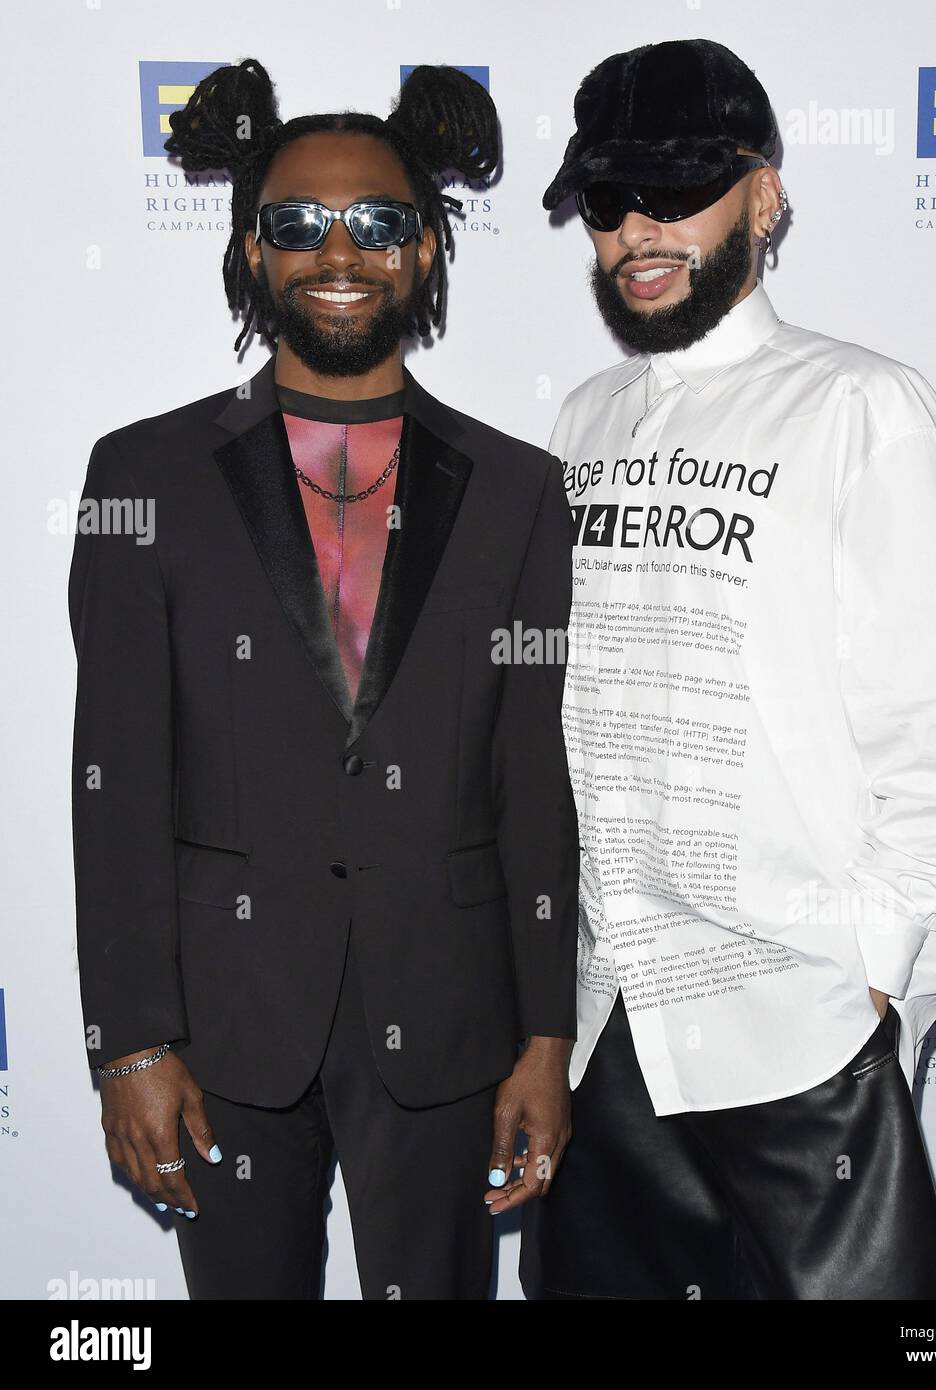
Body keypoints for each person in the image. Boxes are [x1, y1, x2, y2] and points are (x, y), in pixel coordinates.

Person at [516, 37, 936, 1300]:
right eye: (606, 197)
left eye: (677, 186)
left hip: (797, 1036)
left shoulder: (864, 406)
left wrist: (875, 994)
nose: (637, 225)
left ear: (764, 191)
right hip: (607, 1039)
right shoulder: (577, 421)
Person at [68, 58, 577, 1300]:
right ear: (252, 252)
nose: (335, 252)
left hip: (452, 1021)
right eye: (296, 224)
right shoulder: (145, 474)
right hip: (224, 1025)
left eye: (378, 222)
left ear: (425, 254)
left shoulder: (516, 490)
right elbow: (115, 781)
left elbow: (531, 777)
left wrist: (545, 1038)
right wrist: (129, 1041)